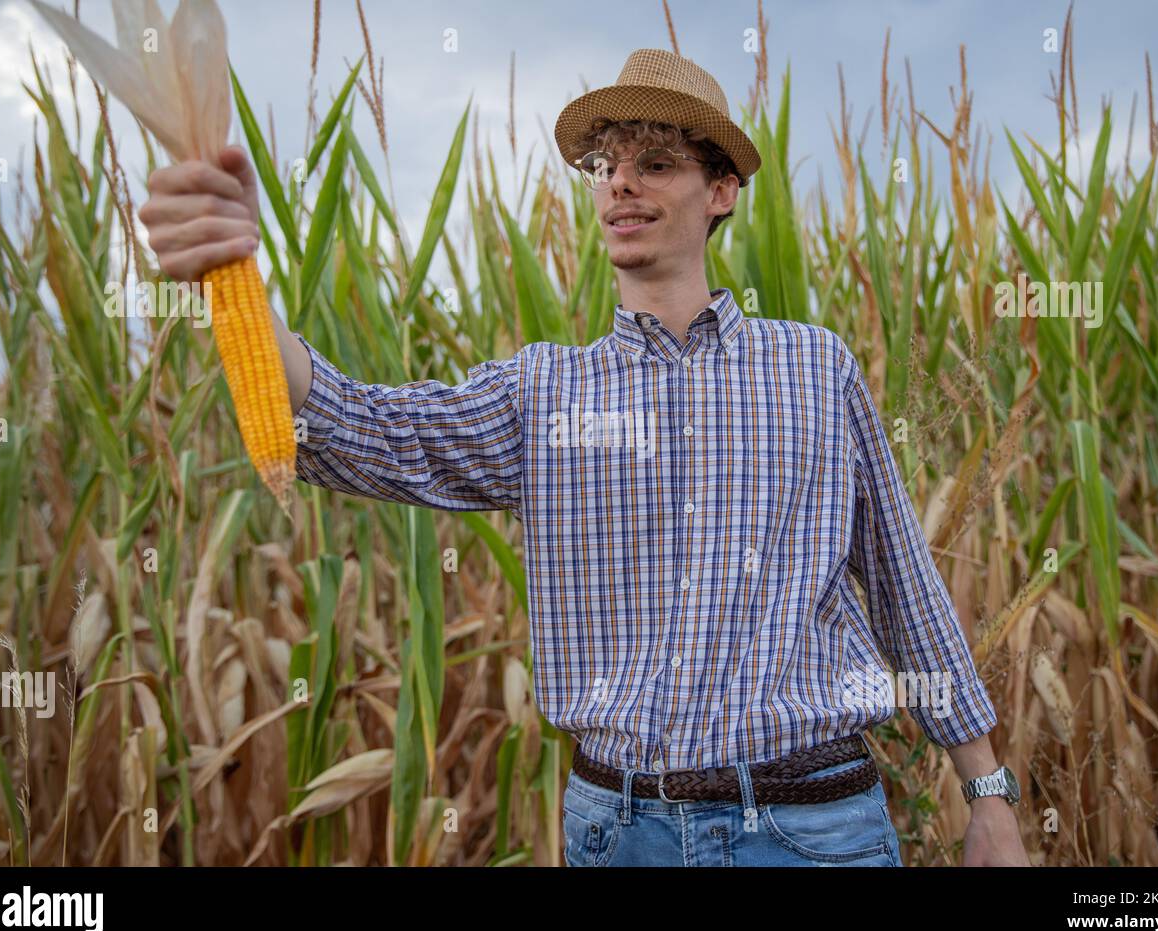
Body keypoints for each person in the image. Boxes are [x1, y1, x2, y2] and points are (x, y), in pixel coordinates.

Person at [137, 47, 1029, 867]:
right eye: (605, 167)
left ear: (721, 191)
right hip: (620, 832)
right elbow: (355, 426)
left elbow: (903, 580)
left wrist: (986, 792)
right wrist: (239, 278)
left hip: (810, 827)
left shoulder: (816, 369)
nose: (620, 187)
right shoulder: (542, 394)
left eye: (656, 164)